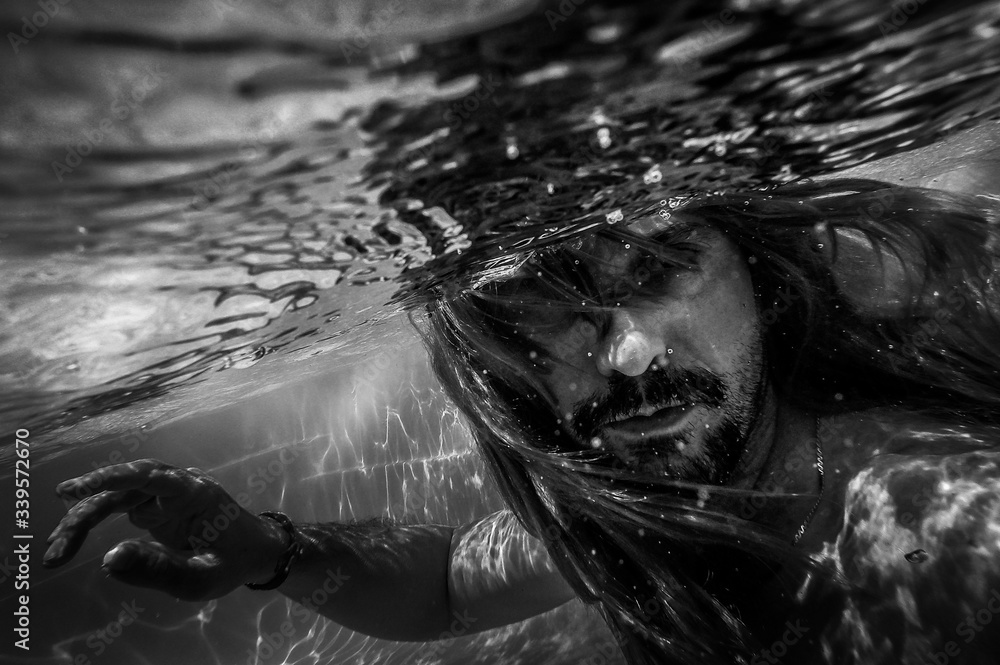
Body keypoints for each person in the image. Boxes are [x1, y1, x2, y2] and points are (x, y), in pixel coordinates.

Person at [45, 179, 1000, 664]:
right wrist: (272, 550)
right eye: (543, 315)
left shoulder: (948, 527)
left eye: (661, 271)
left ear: (760, 277)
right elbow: (456, 585)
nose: (624, 353)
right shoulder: (652, 505)